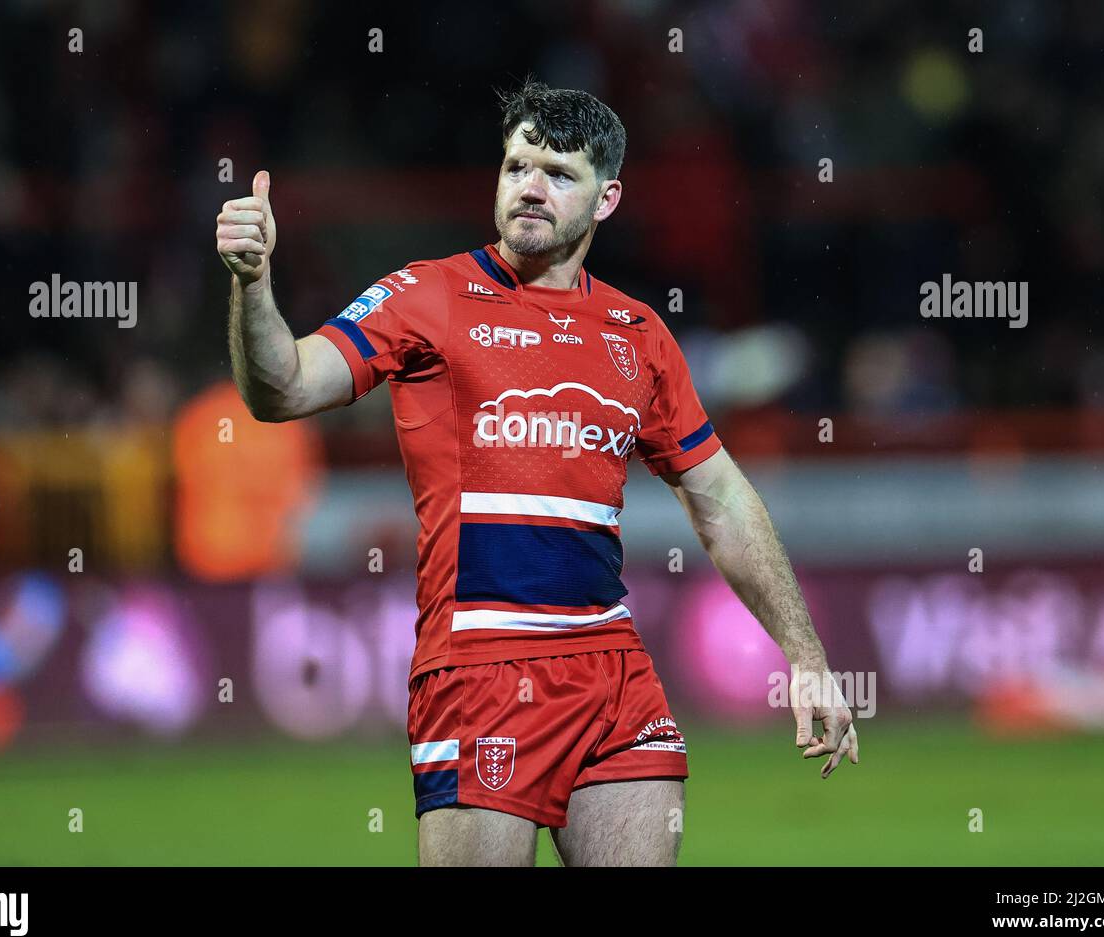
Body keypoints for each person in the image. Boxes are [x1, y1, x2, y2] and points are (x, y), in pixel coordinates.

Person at [216, 78, 858, 866]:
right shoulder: (428, 295)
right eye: (518, 165)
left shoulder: (638, 333)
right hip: (478, 668)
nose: (530, 187)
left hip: (612, 669)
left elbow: (720, 495)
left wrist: (807, 658)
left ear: (608, 197)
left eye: (559, 174)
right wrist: (254, 283)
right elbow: (280, 387)